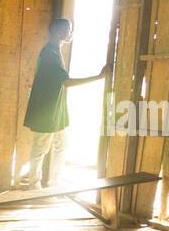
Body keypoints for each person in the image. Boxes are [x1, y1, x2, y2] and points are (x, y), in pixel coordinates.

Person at [22, 18, 107, 189]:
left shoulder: (54, 51)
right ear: (60, 33)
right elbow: (66, 82)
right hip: (46, 109)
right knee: (41, 147)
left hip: (55, 108)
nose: (71, 33)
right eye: (69, 30)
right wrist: (98, 77)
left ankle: (54, 183)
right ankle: (33, 185)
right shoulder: (49, 53)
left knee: (61, 145)